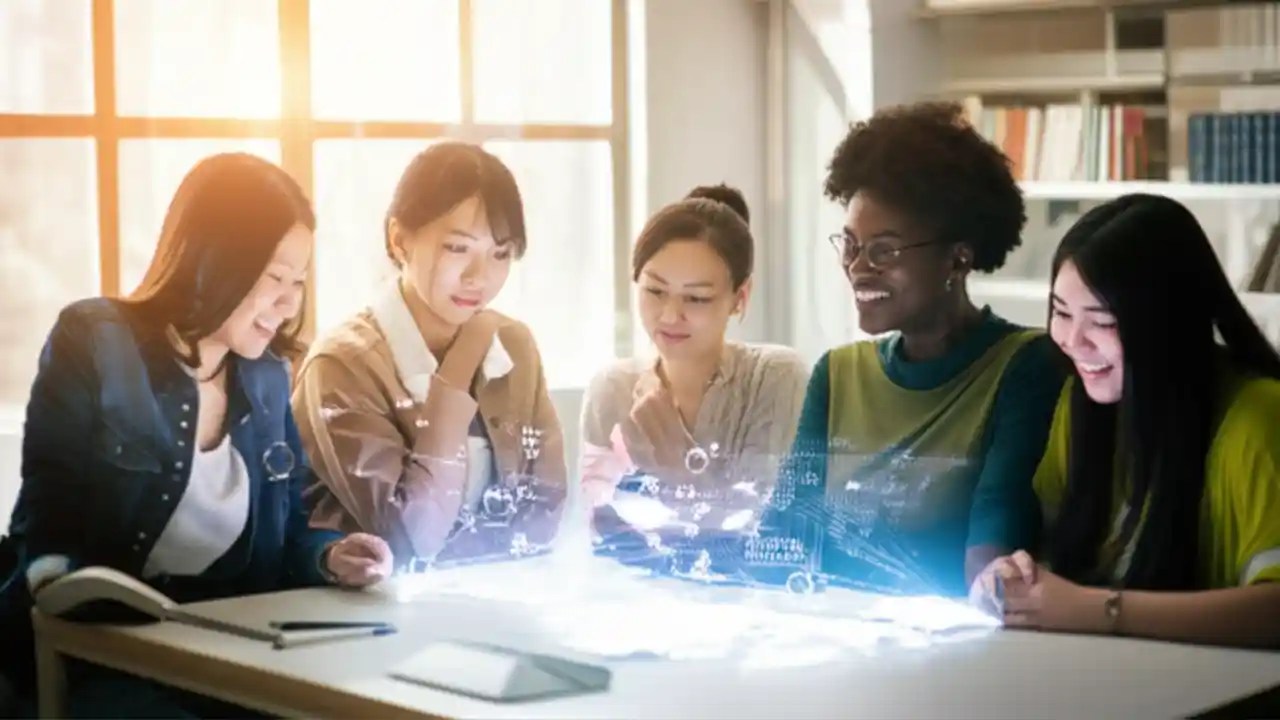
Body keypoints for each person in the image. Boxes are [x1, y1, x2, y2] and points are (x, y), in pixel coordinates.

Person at [0, 153, 392, 716]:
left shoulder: (266, 379)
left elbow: (288, 538)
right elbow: (44, 522)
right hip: (95, 657)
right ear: (214, 263)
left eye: (299, 282)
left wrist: (331, 558)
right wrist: (60, 582)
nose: (289, 304)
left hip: (224, 657)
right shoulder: (93, 341)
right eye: (274, 279)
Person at [760, 102, 1065, 598]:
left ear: (958, 257)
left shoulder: (1025, 366)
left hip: (954, 653)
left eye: (884, 250)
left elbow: (993, 554)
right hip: (832, 641)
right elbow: (782, 538)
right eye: (851, 246)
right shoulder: (837, 374)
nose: (858, 267)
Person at [973, 194, 1280, 648]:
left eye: (1101, 321)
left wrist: (1101, 609)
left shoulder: (1258, 417)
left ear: (1166, 323)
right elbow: (1056, 557)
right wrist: (1014, 580)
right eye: (1060, 313)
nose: (1072, 342)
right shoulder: (1080, 403)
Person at [293, 142, 566, 570]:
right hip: (363, 616)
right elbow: (406, 539)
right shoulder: (342, 365)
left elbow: (544, 507)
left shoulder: (515, 346)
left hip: (494, 602)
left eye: (500, 254)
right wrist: (456, 374)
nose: (480, 277)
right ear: (399, 241)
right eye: (458, 248)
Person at [580, 184, 809, 572]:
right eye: (654, 290)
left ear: (740, 297)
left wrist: (677, 464)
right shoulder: (612, 387)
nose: (669, 315)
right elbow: (601, 537)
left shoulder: (775, 378)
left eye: (697, 298)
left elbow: (767, 540)